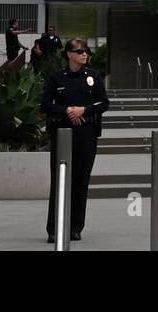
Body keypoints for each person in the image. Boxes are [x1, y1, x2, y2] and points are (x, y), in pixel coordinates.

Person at [42, 39, 109, 243]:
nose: (84, 54)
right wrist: (68, 111)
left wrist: (84, 110)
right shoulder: (57, 77)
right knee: (60, 179)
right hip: (63, 132)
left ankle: (75, 227)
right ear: (69, 54)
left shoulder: (93, 76)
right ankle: (54, 229)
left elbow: (104, 103)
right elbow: (45, 103)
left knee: (81, 180)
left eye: (86, 51)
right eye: (79, 51)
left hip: (86, 132)